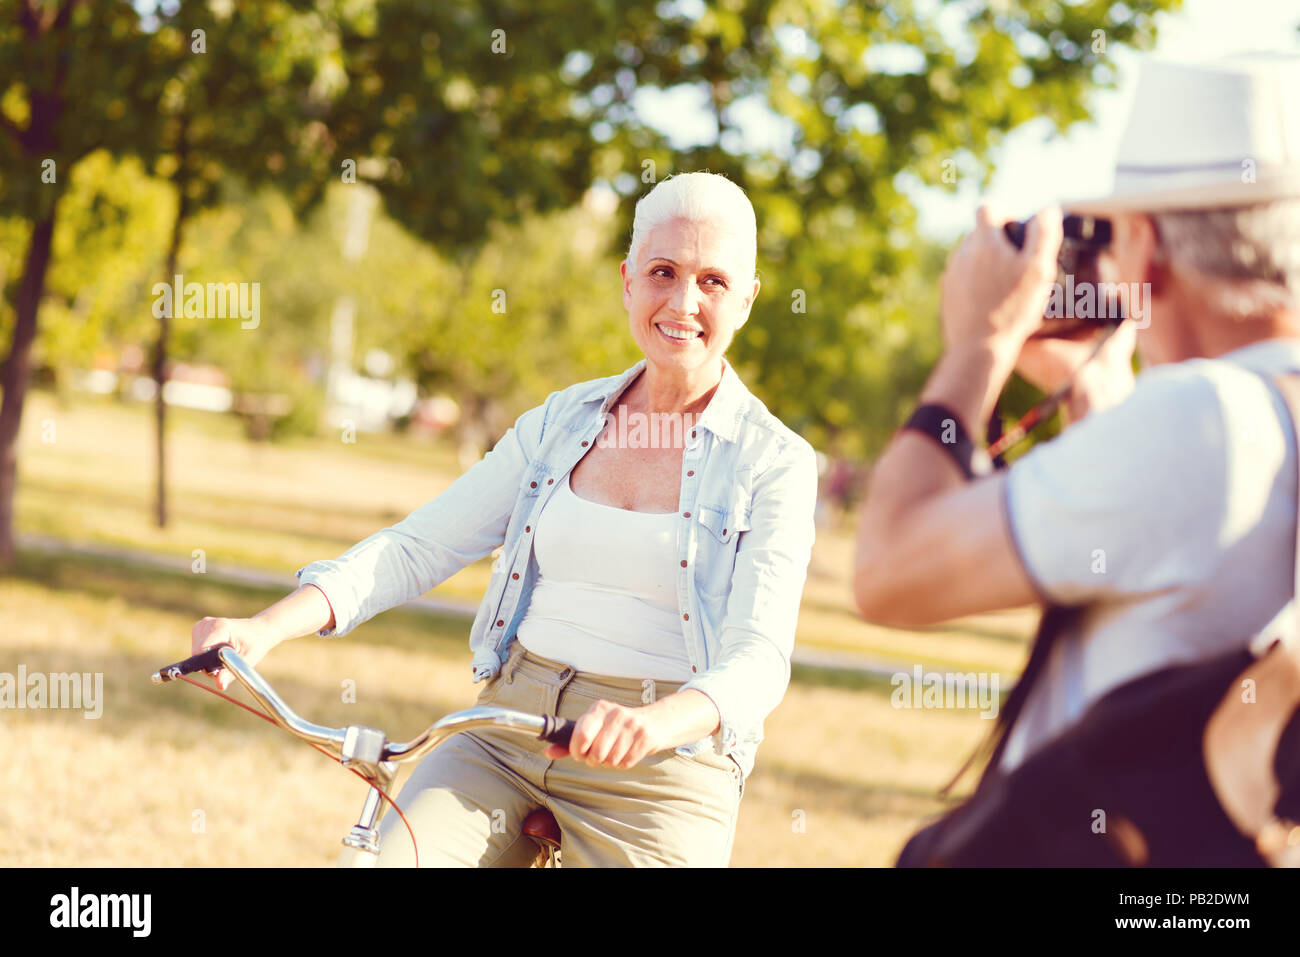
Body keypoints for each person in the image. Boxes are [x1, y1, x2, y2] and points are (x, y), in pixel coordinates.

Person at [190, 171, 818, 867]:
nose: (683, 301)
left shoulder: (776, 462)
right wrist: (264, 628)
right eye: (663, 272)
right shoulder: (559, 422)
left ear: (750, 298)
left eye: (713, 282)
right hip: (507, 727)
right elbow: (415, 547)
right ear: (628, 281)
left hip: (664, 768)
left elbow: (759, 660)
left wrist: (651, 723)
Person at [853, 55, 1300, 778]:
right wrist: (1093, 387)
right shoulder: (1260, 413)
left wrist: (981, 342)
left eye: (1112, 238)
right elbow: (1169, 538)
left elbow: (887, 568)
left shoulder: (1200, 420)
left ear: (1146, 246)